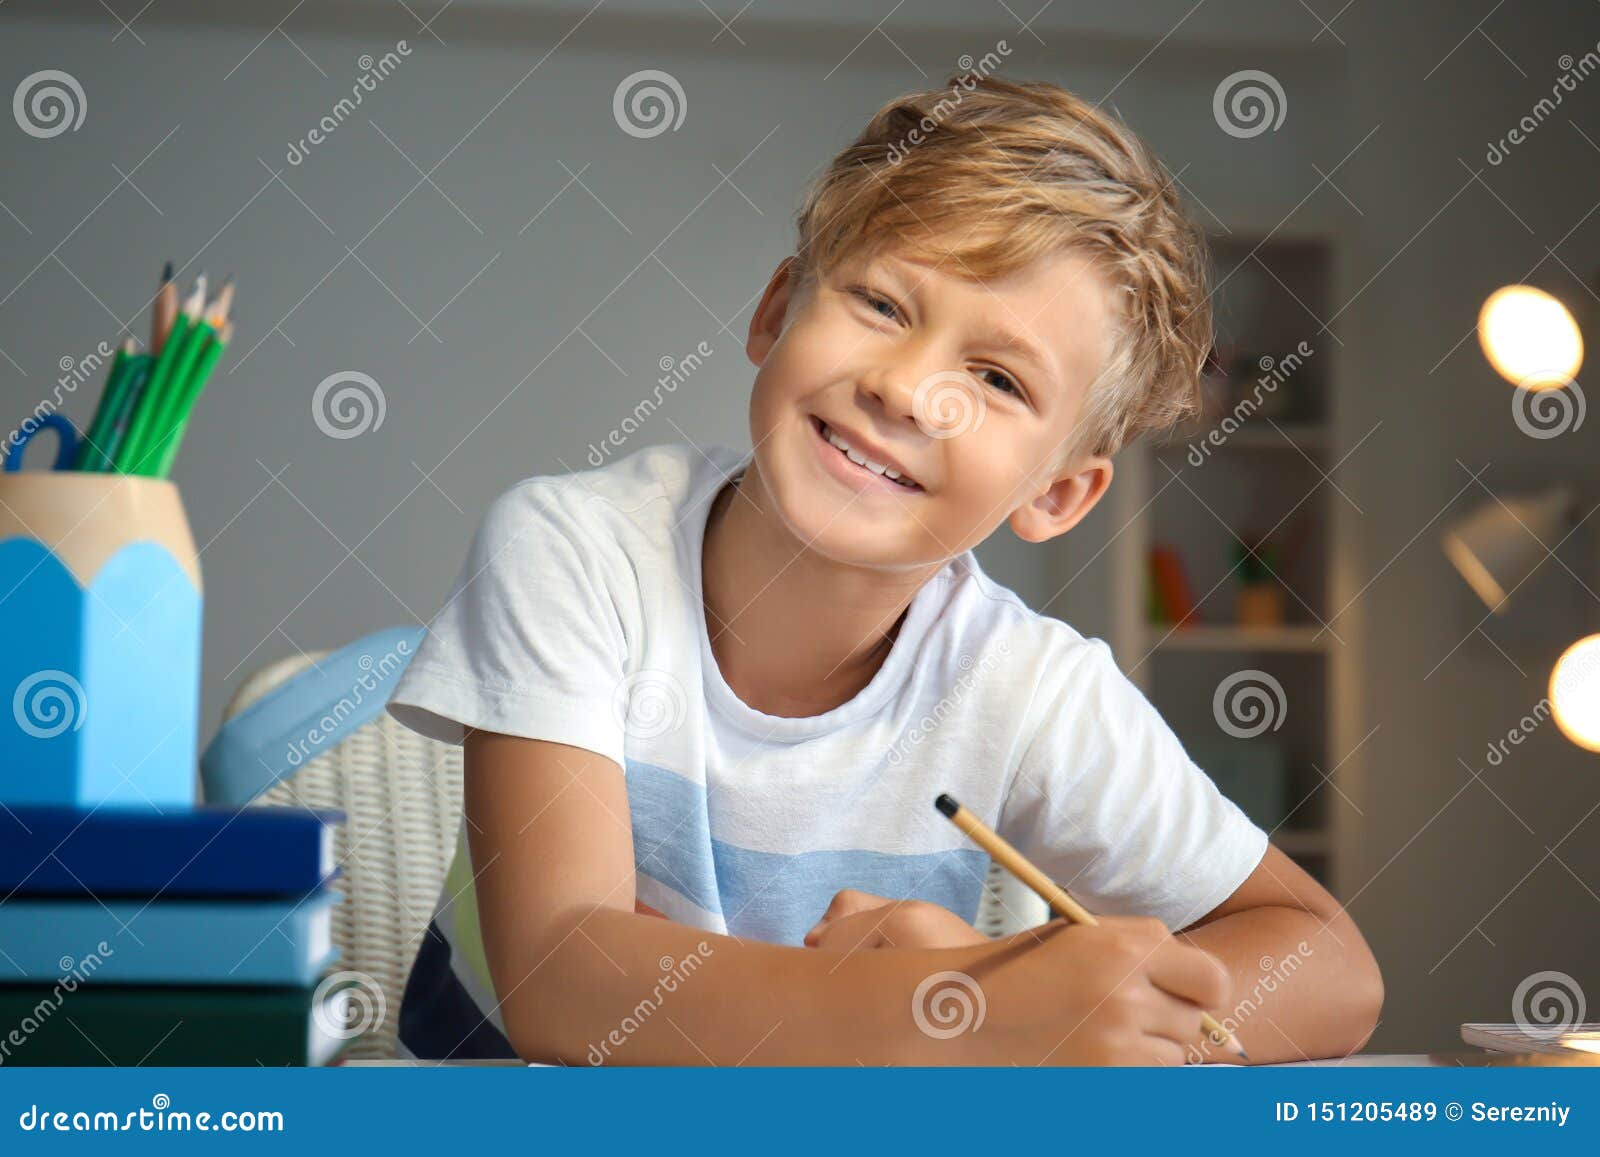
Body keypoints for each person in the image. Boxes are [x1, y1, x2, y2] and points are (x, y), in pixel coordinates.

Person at [386, 74, 1382, 1066]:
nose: (908, 389)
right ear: (777, 312)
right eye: (881, 302)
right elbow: (561, 980)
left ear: (1056, 495)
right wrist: (967, 1004)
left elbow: (1334, 969)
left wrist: (1069, 1003)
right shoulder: (573, 549)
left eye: (996, 378)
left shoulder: (1030, 689)